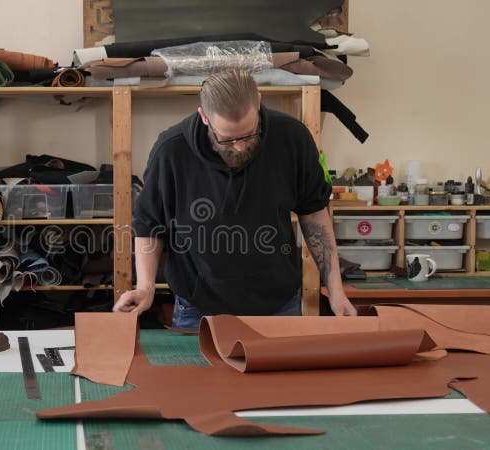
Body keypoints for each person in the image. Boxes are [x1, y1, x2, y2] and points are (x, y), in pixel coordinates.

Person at [113, 69, 356, 328]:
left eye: (249, 134)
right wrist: (146, 286)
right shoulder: (171, 151)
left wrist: (336, 291)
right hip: (199, 310)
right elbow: (149, 224)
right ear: (204, 116)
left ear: (258, 102)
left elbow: (315, 214)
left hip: (279, 306)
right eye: (228, 139)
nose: (240, 146)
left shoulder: (292, 138)